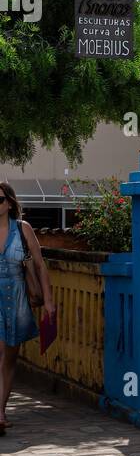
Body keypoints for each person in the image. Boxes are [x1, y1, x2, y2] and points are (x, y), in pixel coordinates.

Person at [0, 182, 55, 434]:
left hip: (16, 299)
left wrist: (49, 301)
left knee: (8, 357)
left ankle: (0, 411)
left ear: (9, 203)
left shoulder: (23, 229)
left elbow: (40, 266)